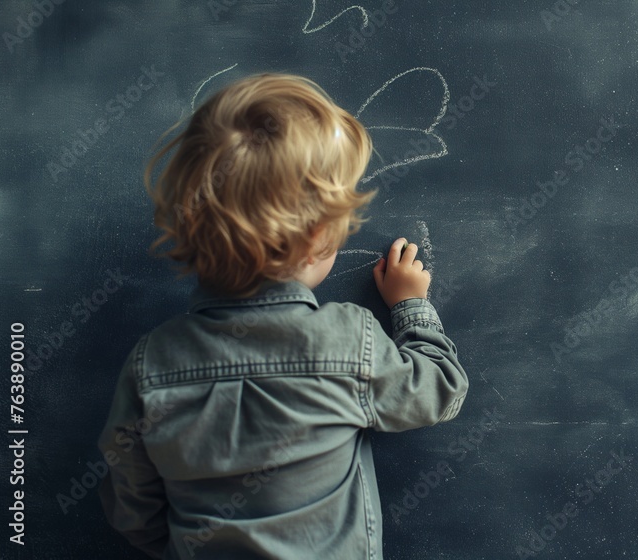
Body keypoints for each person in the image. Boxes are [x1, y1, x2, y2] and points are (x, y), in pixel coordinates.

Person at [97, 73, 468, 559]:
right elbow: (438, 389)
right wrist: (410, 305)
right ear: (319, 239)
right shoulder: (346, 341)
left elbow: (132, 508)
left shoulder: (152, 365)